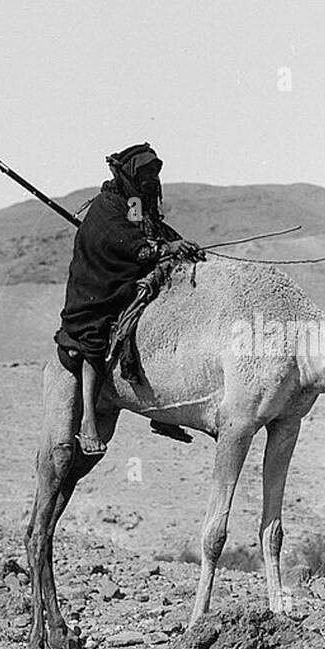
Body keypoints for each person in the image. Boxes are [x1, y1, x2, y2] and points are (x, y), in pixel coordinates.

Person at [54, 143, 203, 455]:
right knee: (94, 340)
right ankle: (88, 423)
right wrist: (165, 249)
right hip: (99, 285)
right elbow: (131, 247)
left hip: (127, 275)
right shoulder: (107, 206)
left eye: (154, 174)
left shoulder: (132, 202)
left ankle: (163, 412)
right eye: (145, 174)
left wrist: (177, 244)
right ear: (131, 174)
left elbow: (148, 232)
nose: (151, 181)